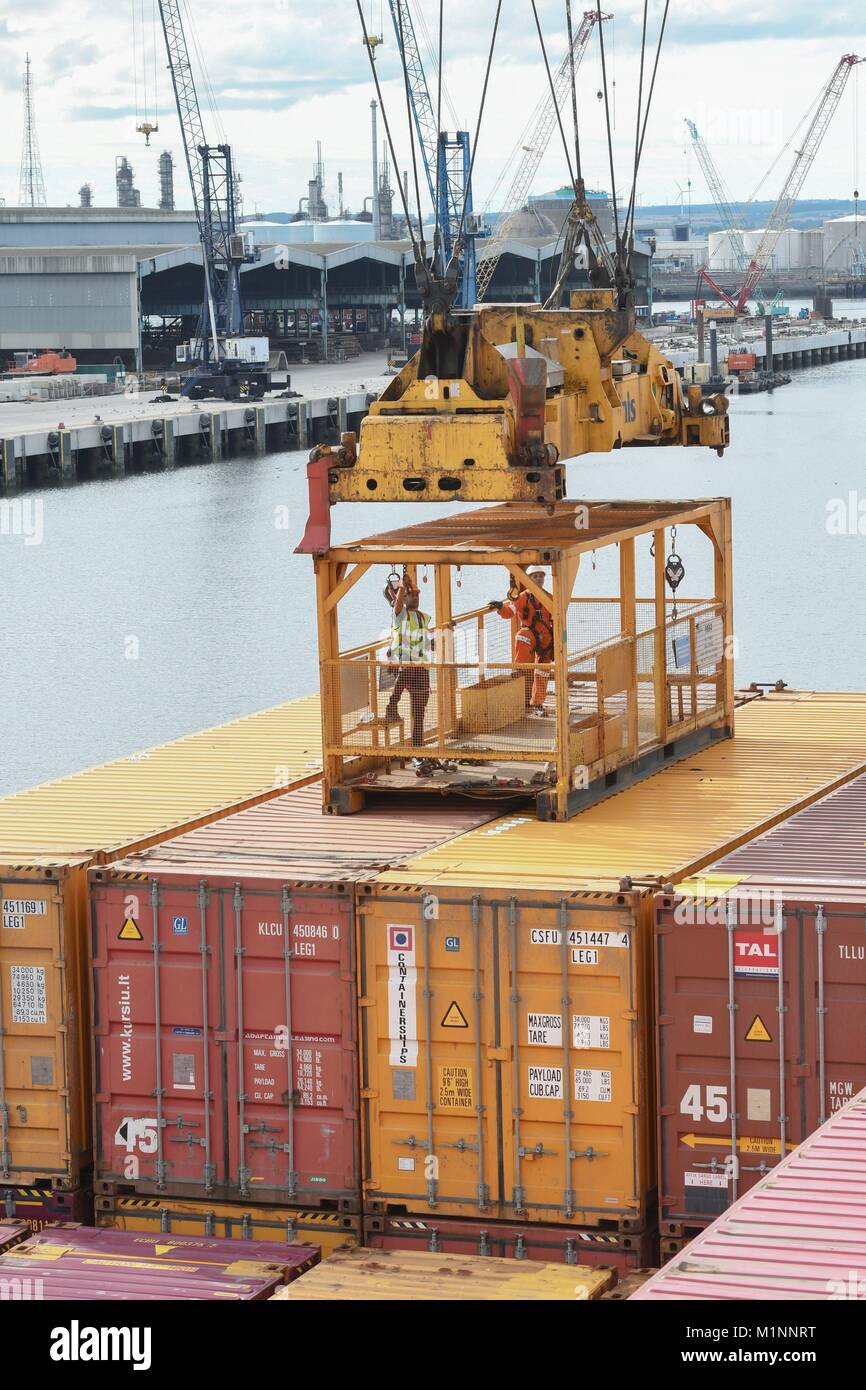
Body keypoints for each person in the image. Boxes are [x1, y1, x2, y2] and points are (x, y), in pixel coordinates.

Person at [489, 568, 554, 715]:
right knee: (522, 635)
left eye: (541, 576)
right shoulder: (523, 597)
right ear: (529, 579)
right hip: (530, 633)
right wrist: (500, 607)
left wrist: (556, 644)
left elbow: (556, 621)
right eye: (535, 576)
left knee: (542, 672)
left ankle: (537, 703)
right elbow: (509, 612)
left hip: (546, 639)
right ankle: (520, 667)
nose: (539, 579)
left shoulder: (549, 598)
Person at [383, 577, 433, 748]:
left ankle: (418, 745)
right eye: (411, 595)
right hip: (404, 665)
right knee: (407, 671)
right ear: (403, 598)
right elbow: (397, 606)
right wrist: (402, 589)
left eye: (417, 595)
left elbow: (422, 638)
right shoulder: (400, 614)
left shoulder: (422, 617)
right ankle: (391, 706)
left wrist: (431, 643)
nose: (416, 597)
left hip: (420, 666)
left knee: (419, 708)